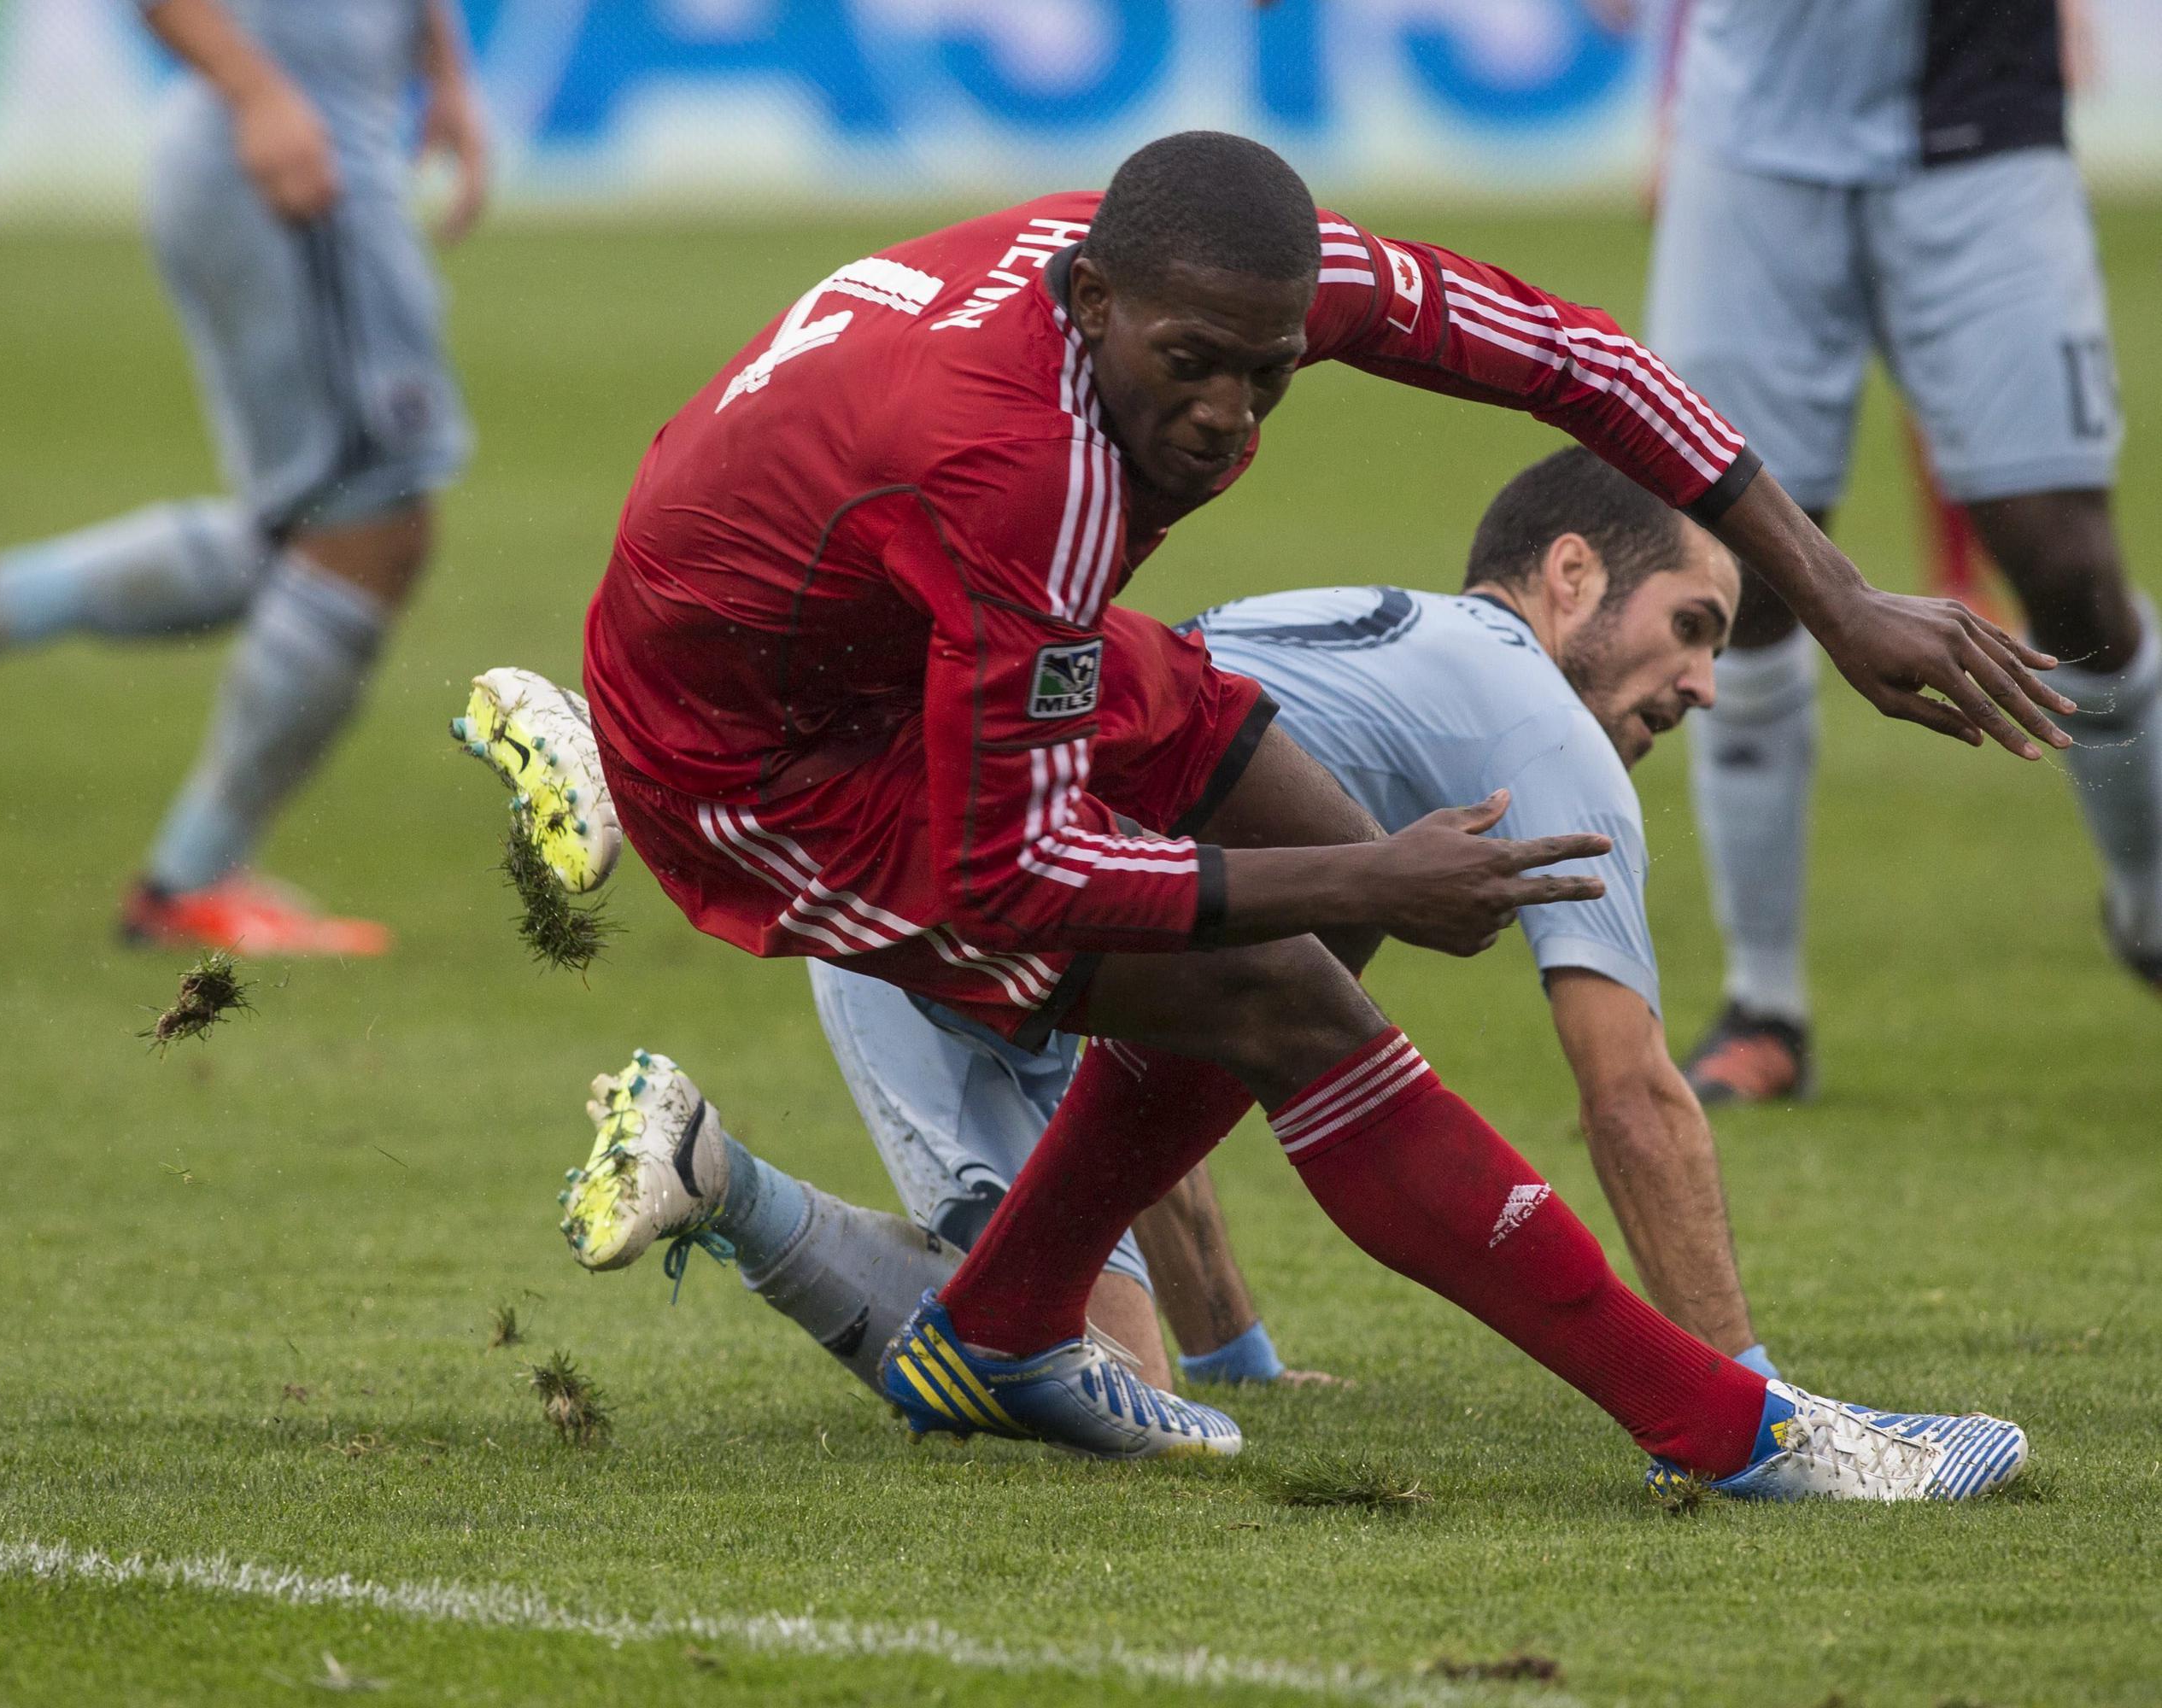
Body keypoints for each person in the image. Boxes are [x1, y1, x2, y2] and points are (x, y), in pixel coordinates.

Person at [497, 132, 2049, 1495]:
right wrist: (1361, 864)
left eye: (1271, 372)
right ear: (1094, 304)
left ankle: (1003, 1324)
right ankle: (1728, 1434)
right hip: (759, 760)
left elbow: (1579, 358)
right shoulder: (1018, 473)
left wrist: (1833, 596)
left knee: (1331, 914)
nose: (1234, 415)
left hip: (897, 632)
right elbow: (1013, 867)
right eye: (1196, 368)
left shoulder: (1223, 279)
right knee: (1291, 988)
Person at [530, 447, 1782, 1407]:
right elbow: (1634, 1099)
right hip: (959, 929)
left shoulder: (1375, 638)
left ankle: (641, 765)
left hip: (994, 903)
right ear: (1571, 578)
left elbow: (1173, 1042)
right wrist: (1756, 1394)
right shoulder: (1546, 732)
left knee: (1135, 1372)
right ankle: (721, 1179)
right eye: (1693, 626)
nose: (1706, 686)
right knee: (1073, 1390)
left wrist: (1236, 1355)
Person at [0, 0, 489, 955]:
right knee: (370, 528)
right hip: (286, 161)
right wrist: (260, 93)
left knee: (310, 529)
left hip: (318, 152)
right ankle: (193, 877)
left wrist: (448, 77)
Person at [1644, 0, 2153, 1103]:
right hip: (1752, 134)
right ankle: (1763, 1001)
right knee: (1739, 563)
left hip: (1979, 136)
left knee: (2063, 559)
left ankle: (2152, 896)